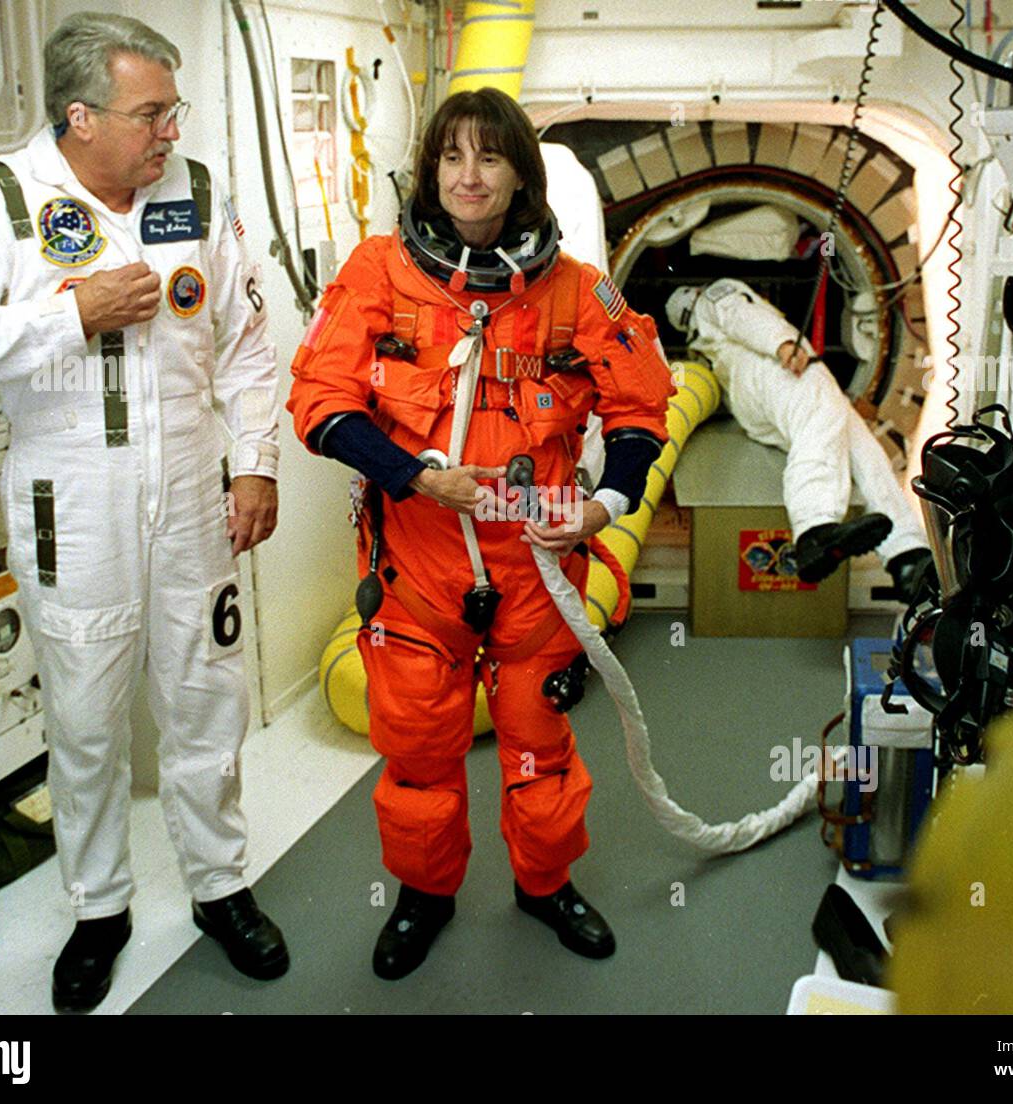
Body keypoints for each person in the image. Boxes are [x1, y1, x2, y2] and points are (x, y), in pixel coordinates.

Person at [0, 12, 288, 1012]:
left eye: (172, 109)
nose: (170, 130)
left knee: (205, 701)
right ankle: (100, 909)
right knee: (84, 723)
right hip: (71, 503)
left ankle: (220, 886)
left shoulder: (196, 193)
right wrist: (71, 313)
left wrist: (255, 464)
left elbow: (246, 345)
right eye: (150, 113)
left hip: (192, 493)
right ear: (80, 116)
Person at [288, 88, 674, 979]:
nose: (469, 176)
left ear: (520, 176)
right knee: (420, 756)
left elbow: (640, 409)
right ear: (430, 173)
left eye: (489, 157)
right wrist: (416, 476)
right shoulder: (378, 273)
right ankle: (424, 896)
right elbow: (320, 402)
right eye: (452, 157)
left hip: (537, 572)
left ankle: (545, 887)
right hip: (419, 574)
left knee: (541, 752)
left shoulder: (579, 291)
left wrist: (603, 507)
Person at [666, 279, 932, 599]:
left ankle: (906, 556)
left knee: (864, 457)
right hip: (772, 371)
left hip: (749, 402)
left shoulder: (702, 348)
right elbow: (743, 317)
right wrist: (782, 343)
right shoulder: (713, 298)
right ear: (694, 295)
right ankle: (815, 529)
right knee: (816, 431)